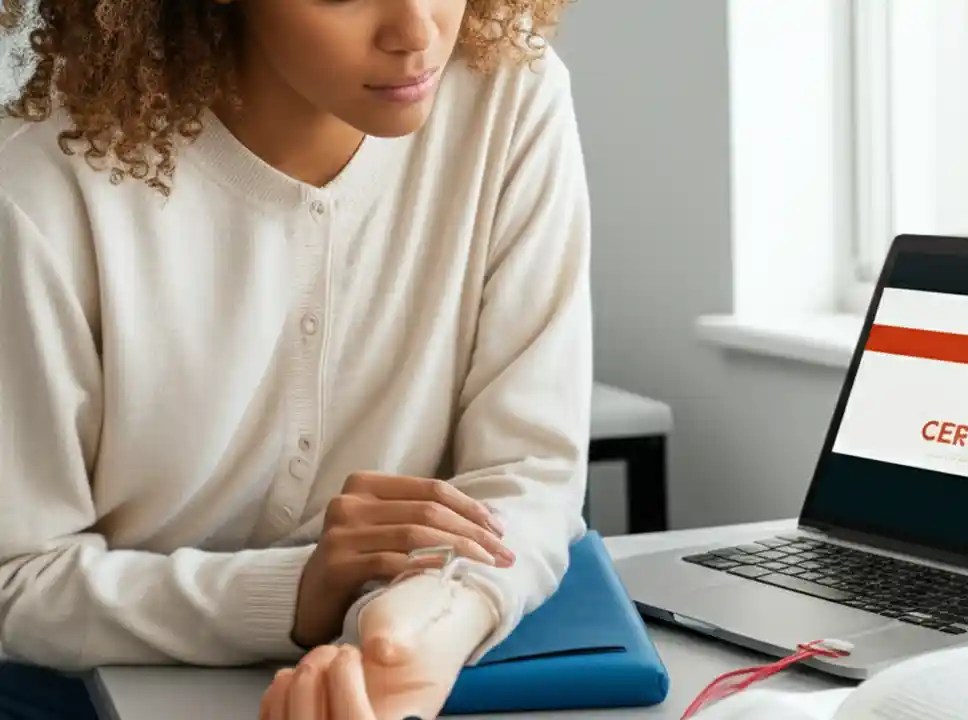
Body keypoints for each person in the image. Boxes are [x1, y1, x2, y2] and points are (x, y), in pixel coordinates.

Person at [0, 0, 591, 716]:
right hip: (81, 690)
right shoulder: (36, 185)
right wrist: (297, 592)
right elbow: (18, 581)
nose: (416, 32)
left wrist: (430, 622)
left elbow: (529, 472)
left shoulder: (510, 94)